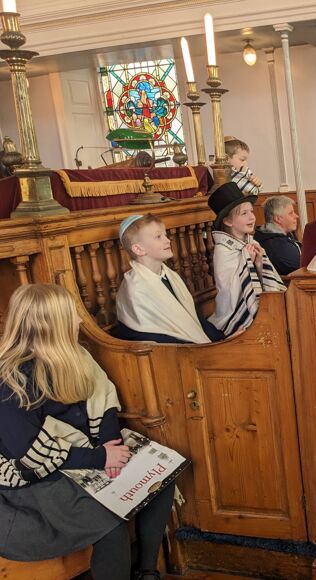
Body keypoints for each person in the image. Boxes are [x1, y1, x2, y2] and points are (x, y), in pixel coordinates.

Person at [0, 284, 175, 580]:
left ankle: (147, 572)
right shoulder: (11, 382)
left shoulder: (75, 354)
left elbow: (102, 397)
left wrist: (111, 444)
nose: (80, 321)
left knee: (160, 482)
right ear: (50, 325)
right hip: (37, 479)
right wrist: (99, 458)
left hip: (87, 453)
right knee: (109, 528)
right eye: (72, 315)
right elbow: (28, 456)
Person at [114, 214, 223, 344]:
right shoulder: (136, 289)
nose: (167, 240)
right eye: (158, 236)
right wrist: (203, 348)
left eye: (165, 235)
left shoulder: (170, 275)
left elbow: (191, 317)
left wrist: (221, 339)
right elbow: (150, 336)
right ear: (138, 249)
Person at [208, 182, 286, 337]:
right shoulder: (223, 250)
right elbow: (228, 289)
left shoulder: (252, 242)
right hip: (233, 313)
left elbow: (265, 277)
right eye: (244, 213)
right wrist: (246, 263)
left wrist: (257, 263)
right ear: (228, 221)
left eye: (251, 211)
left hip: (259, 305)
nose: (252, 217)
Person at [253, 195, 302, 275]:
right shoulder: (276, 245)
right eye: (291, 213)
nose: (296, 216)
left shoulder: (282, 235)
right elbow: (299, 269)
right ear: (278, 219)